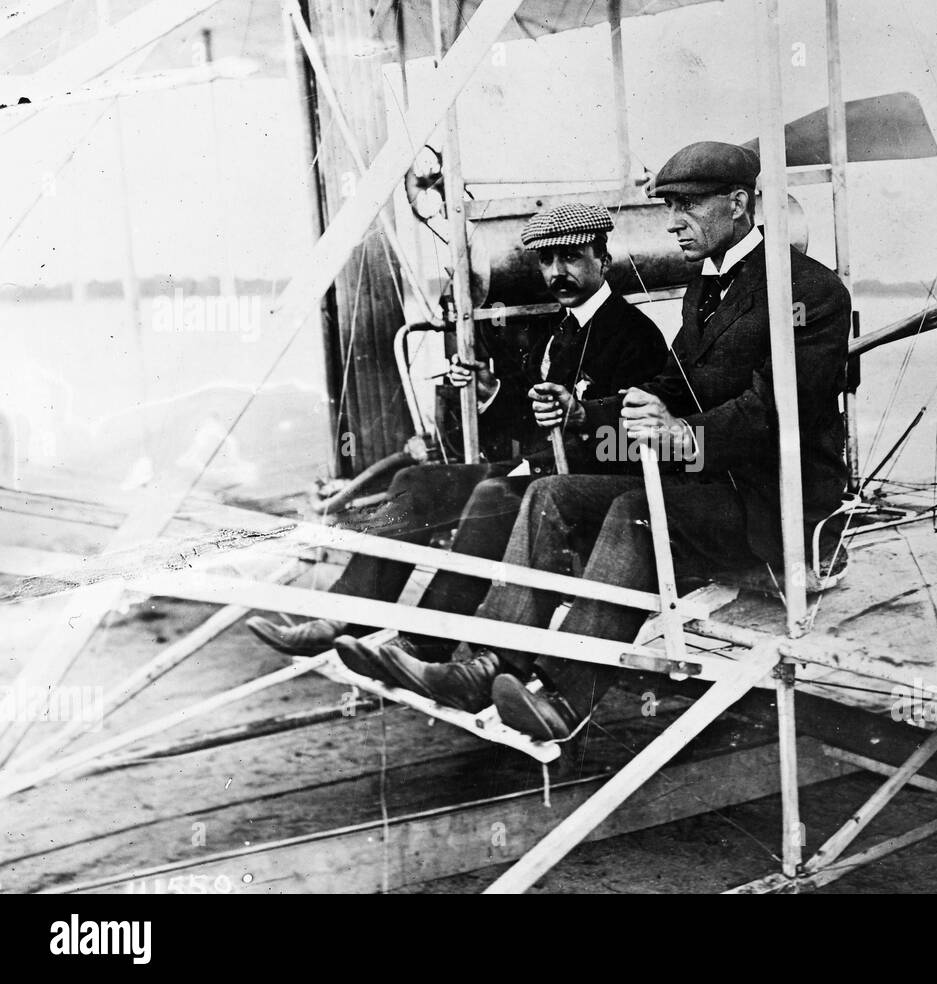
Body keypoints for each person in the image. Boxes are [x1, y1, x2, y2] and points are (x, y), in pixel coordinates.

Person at [370, 141, 851, 738]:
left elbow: (775, 412)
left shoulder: (810, 291)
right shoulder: (707, 285)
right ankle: (488, 662)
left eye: (687, 205)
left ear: (737, 203)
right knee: (552, 493)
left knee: (633, 509)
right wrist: (582, 412)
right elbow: (675, 382)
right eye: (669, 205)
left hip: (776, 497)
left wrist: (679, 436)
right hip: (710, 485)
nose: (674, 220)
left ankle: (567, 699)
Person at [245, 203, 667, 666]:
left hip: (580, 486)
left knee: (493, 494)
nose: (556, 272)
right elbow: (524, 422)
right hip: (534, 468)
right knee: (419, 481)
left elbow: (630, 442)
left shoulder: (635, 336)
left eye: (571, 257)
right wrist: (492, 391)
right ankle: (345, 614)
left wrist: (578, 418)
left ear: (602, 260)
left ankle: (423, 643)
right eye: (547, 261)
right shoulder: (556, 331)